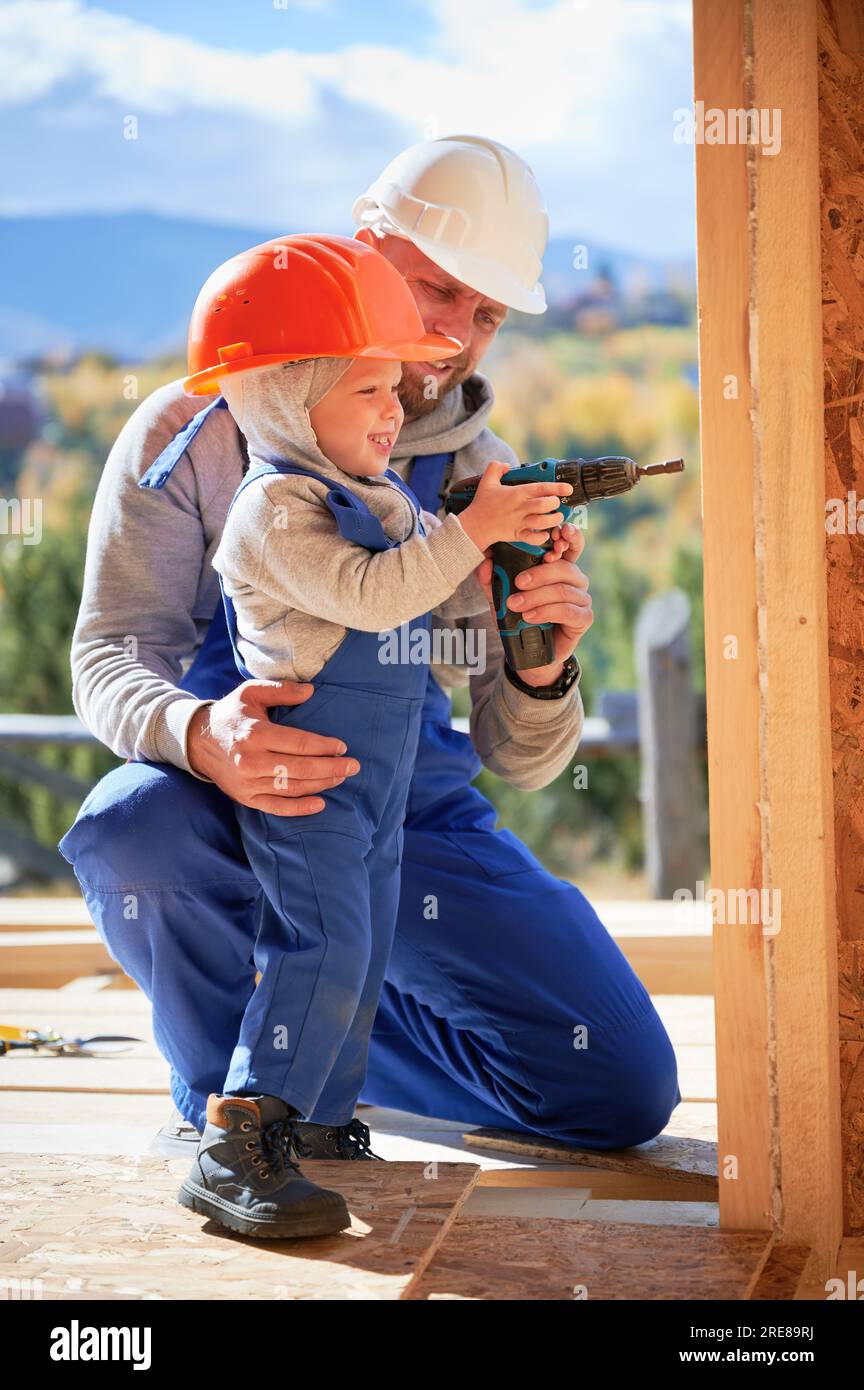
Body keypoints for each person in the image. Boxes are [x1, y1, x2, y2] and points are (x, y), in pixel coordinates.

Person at [58, 135, 681, 1167]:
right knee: (132, 828)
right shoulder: (194, 430)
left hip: (408, 809)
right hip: (231, 788)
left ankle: (311, 1036)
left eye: (485, 313)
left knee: (614, 1085)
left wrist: (540, 666)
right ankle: (240, 1106)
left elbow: (525, 759)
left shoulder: (481, 476)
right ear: (366, 244)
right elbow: (110, 653)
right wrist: (201, 735)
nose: (451, 338)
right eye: (435, 289)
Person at [175, 233, 573, 1238]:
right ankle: (240, 1136)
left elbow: (439, 606)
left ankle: (318, 1116)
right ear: (283, 399)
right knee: (319, 942)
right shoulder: (271, 506)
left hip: (381, 774)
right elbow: (376, 591)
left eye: (397, 389)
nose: (396, 409)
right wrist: (468, 533)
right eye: (365, 391)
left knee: (366, 939)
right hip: (306, 774)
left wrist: (517, 588)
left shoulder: (380, 493)